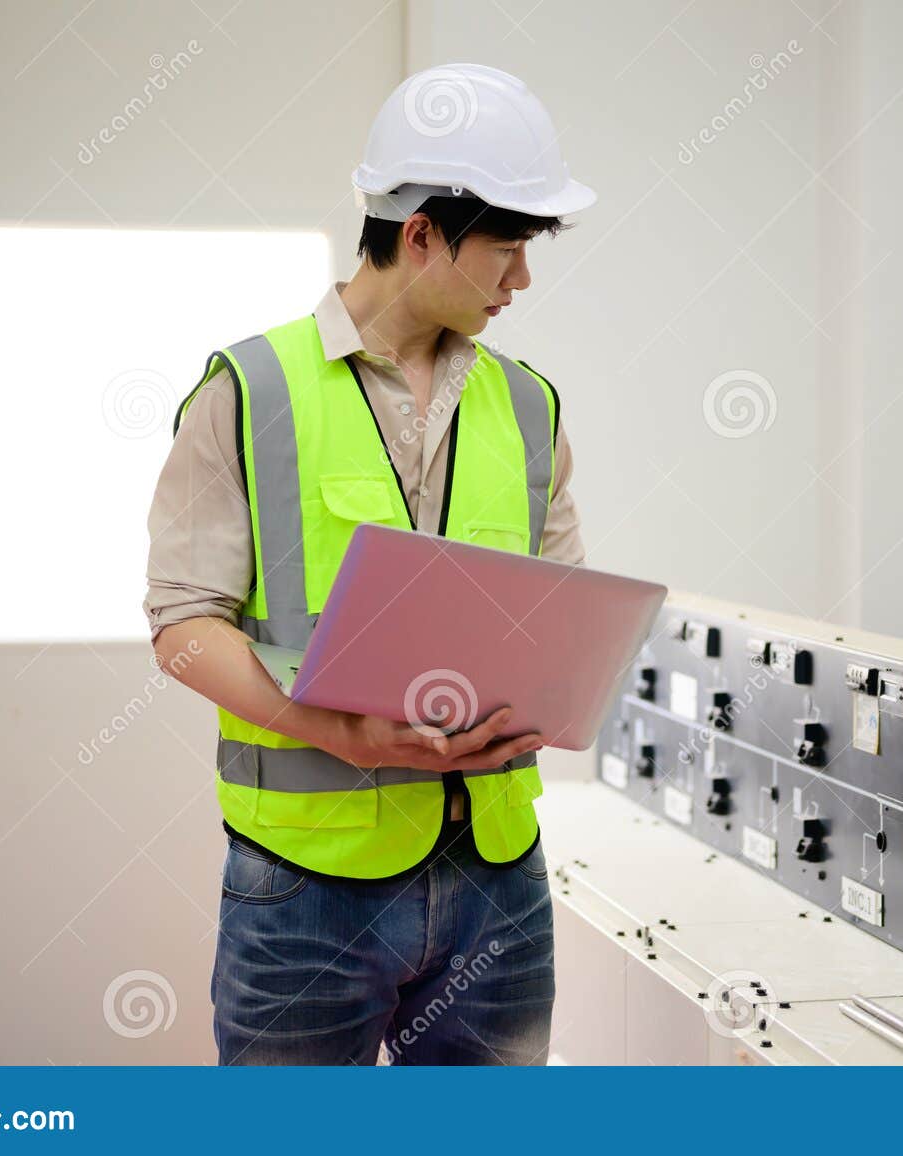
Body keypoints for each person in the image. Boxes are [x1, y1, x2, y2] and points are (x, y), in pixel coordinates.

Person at [142, 62, 595, 1065]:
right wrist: (333, 732)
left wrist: (556, 693)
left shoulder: (528, 407)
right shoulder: (249, 392)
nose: (520, 281)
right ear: (422, 233)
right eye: (506, 252)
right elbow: (181, 629)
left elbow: (560, 618)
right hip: (306, 886)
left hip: (498, 876)